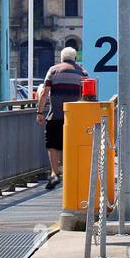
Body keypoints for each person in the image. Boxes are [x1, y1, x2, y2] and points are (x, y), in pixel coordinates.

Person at [35, 47, 88, 190]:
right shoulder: (83, 73)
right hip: (75, 117)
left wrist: (40, 113)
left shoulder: (53, 70)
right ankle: (71, 174)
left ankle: (54, 173)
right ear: (75, 58)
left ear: (62, 58)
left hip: (55, 115)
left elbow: (45, 93)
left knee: (53, 145)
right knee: (72, 145)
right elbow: (87, 96)